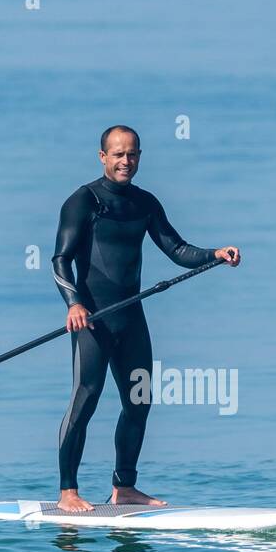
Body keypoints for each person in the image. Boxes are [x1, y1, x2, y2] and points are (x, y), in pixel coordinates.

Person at [51, 125, 241, 512]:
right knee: (85, 399)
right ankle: (68, 491)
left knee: (139, 400)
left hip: (131, 317)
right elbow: (60, 260)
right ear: (102, 157)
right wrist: (73, 303)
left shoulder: (145, 203)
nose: (126, 161)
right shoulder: (83, 201)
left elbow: (176, 248)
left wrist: (215, 254)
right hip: (93, 320)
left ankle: (124, 487)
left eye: (132, 154)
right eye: (118, 154)